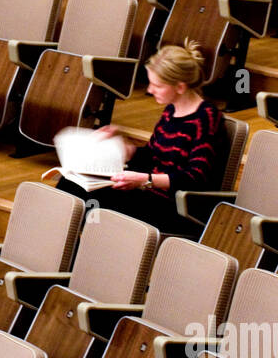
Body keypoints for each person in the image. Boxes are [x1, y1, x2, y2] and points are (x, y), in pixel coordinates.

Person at [56, 39, 223, 233]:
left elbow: (194, 178)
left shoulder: (207, 118)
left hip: (173, 206)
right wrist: (126, 149)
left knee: (93, 197)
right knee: (72, 180)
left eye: (157, 86)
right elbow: (154, 155)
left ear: (180, 87)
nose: (150, 90)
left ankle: (76, 248)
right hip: (149, 191)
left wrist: (144, 179)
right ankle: (61, 247)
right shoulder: (171, 110)